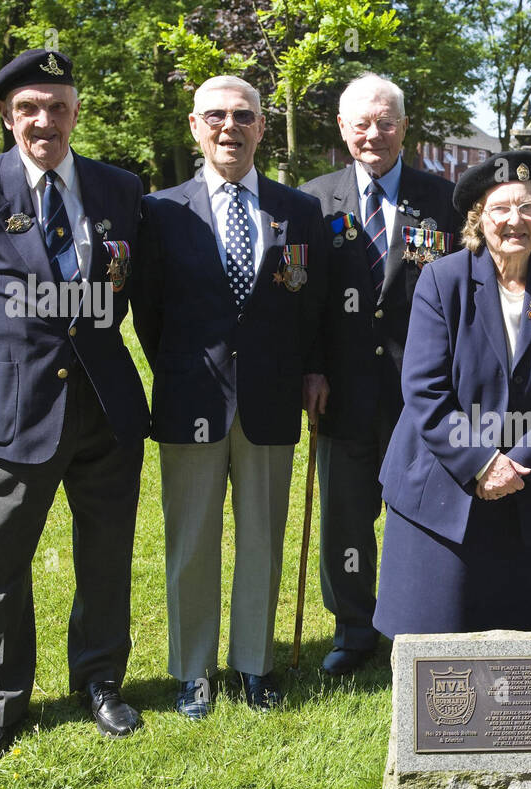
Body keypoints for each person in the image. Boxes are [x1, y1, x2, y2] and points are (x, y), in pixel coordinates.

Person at [0, 49, 150, 761]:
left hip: (105, 409)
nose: (43, 121)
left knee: (106, 555)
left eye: (57, 106)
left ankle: (102, 680)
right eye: (28, 109)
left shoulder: (121, 188)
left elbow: (133, 288)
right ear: (6, 117)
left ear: (77, 112)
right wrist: (2, 367)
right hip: (9, 412)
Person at [132, 76, 328, 718]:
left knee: (262, 538)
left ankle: (253, 664)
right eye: (215, 116)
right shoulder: (160, 211)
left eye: (243, 116)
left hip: (270, 399)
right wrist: (188, 367)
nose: (229, 127)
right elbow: (149, 312)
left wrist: (308, 369)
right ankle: (193, 670)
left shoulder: (297, 210)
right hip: (192, 395)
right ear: (194, 126)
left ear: (262, 127)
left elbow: (313, 308)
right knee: (190, 541)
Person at [372, 151, 531, 637]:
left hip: (529, 486)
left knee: (517, 642)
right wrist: (481, 462)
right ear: (480, 218)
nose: (515, 220)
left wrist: (520, 461)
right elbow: (423, 387)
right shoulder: (442, 280)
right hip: (442, 485)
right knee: (436, 639)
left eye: (528, 208)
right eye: (501, 209)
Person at [300, 74, 460, 676]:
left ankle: (415, 621)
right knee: (345, 514)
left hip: (421, 393)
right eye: (362, 122)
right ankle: (353, 627)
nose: (374, 133)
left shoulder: (444, 200)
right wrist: (311, 367)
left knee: (419, 511)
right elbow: (305, 299)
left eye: (386, 121)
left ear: (404, 127)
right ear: (342, 128)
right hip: (339, 390)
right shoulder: (312, 201)